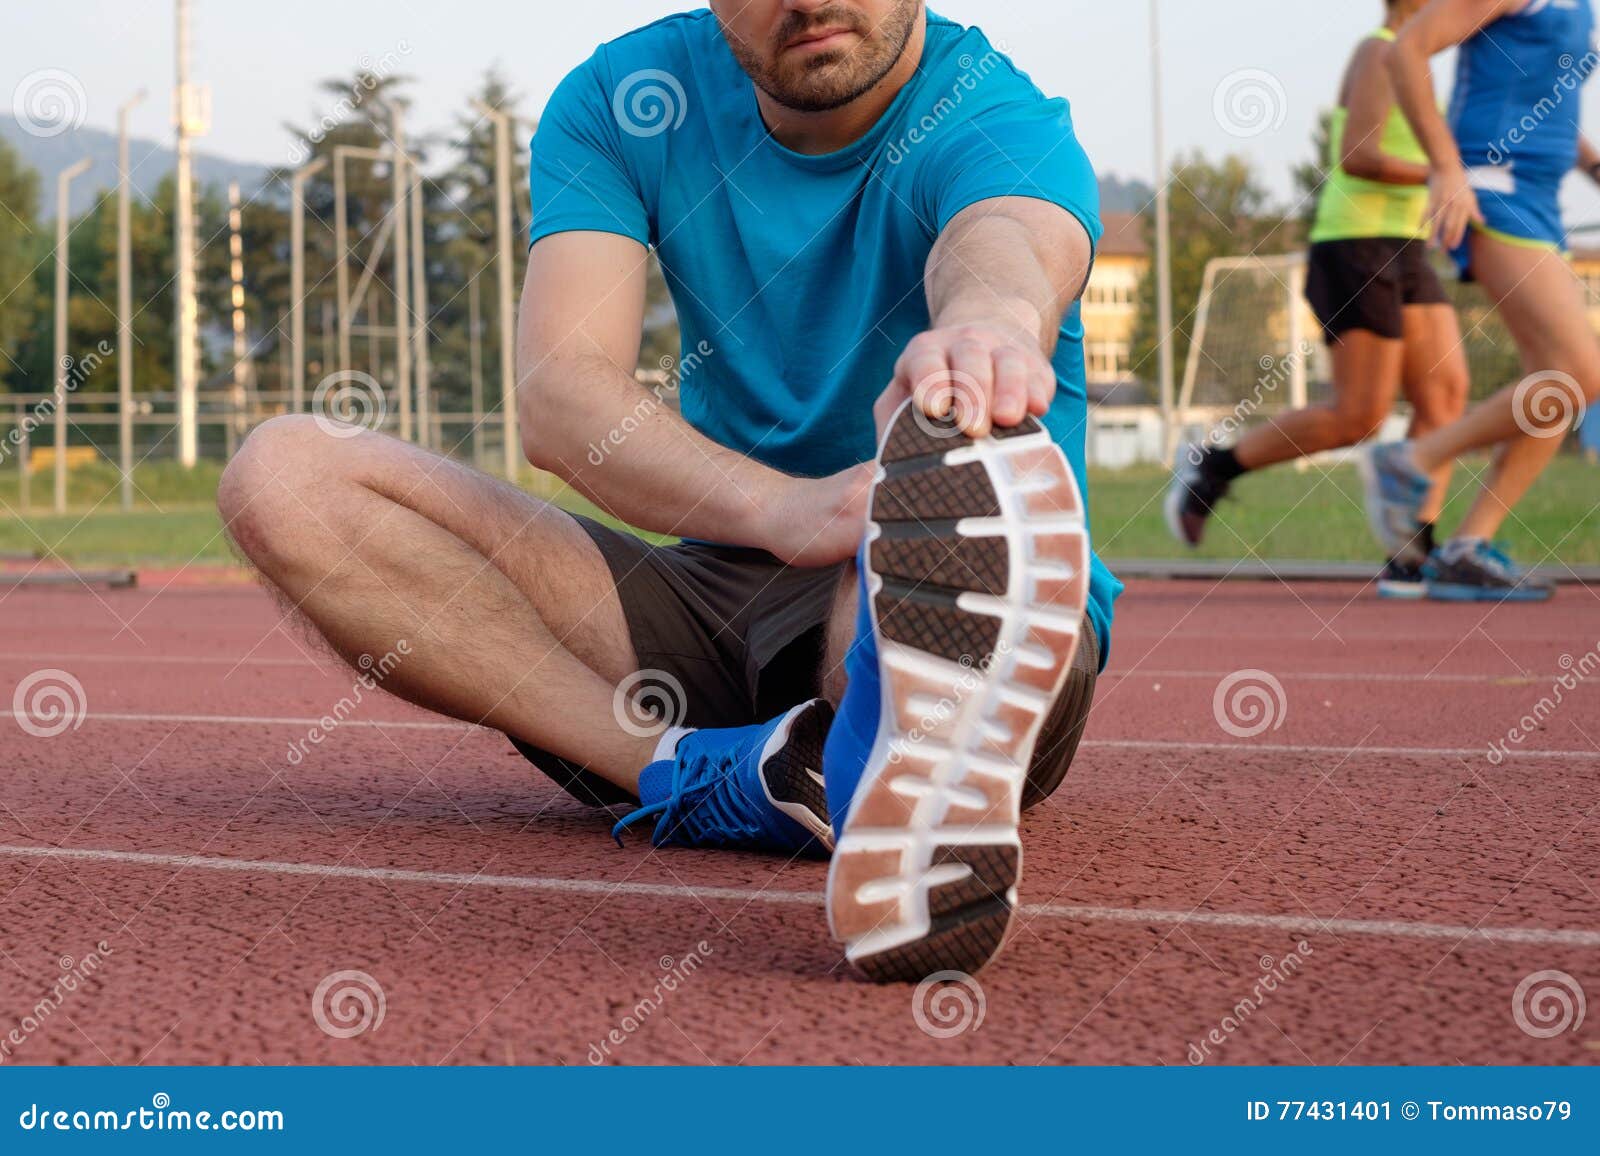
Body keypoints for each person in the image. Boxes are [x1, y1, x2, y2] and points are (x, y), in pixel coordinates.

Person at [218, 1, 1119, 982]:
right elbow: (562, 398)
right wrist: (788, 510)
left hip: (913, 571)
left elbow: (1005, 251)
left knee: (912, 558)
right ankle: (697, 769)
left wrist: (983, 329)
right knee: (283, 475)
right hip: (714, 586)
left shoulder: (993, 113)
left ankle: (890, 731)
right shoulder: (623, 100)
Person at [1167, 0, 1470, 599]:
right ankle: (1214, 467)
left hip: (1405, 245)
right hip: (1354, 244)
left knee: (1447, 394)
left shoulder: (1421, 66)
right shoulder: (1382, 50)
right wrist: (1445, 170)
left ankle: (1414, 552)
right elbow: (1356, 152)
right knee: (1361, 414)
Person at [1363, 0, 1600, 601]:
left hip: (1541, 199)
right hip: (1494, 187)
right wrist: (1445, 168)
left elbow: (1536, 90)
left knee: (1556, 386)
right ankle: (1410, 461)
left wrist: (1593, 164)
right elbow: (1405, 49)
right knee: (1580, 372)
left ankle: (1467, 547)